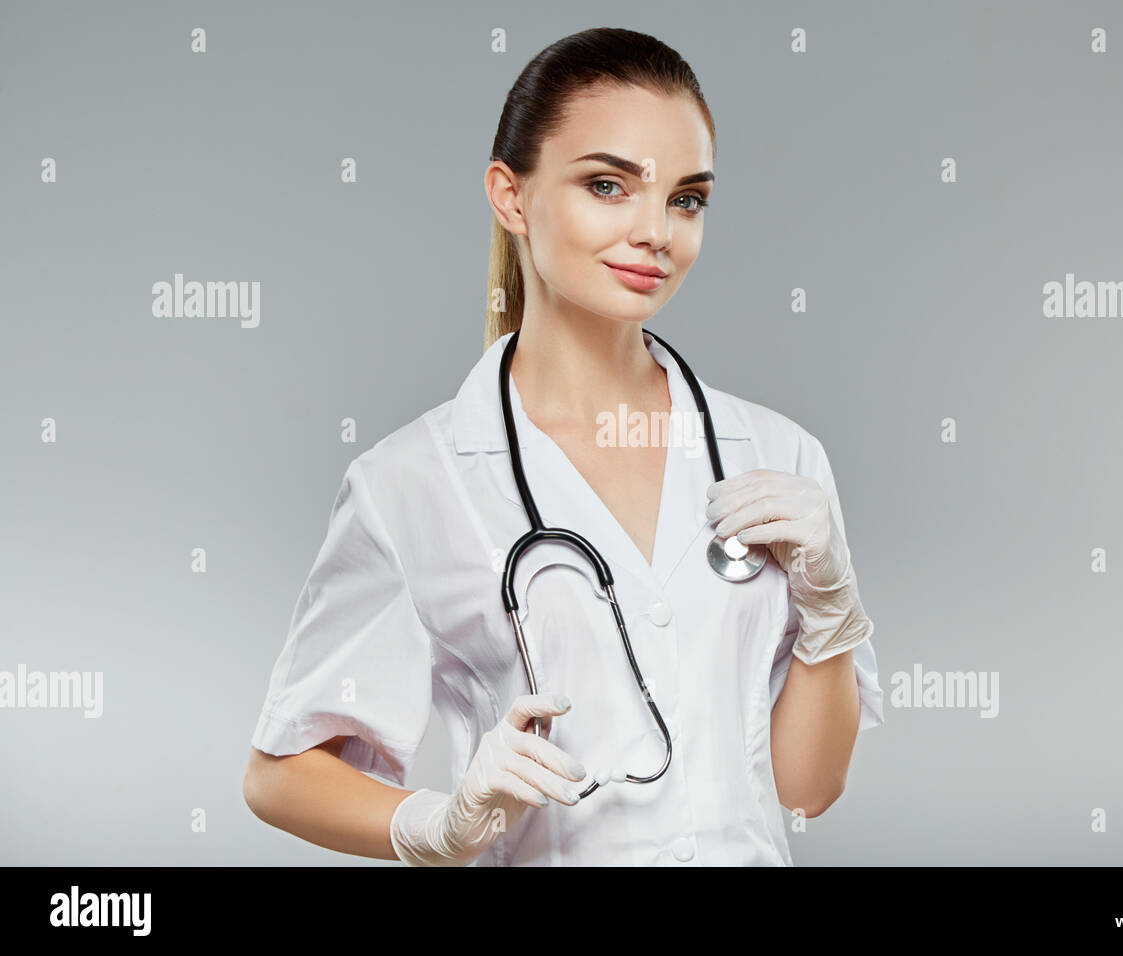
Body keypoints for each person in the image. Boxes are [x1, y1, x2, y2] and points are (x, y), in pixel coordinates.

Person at [242, 26, 884, 867]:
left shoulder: (778, 455)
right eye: (609, 185)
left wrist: (832, 618)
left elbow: (808, 788)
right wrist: (439, 825)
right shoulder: (413, 484)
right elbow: (278, 774)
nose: (657, 230)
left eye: (686, 199)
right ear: (511, 197)